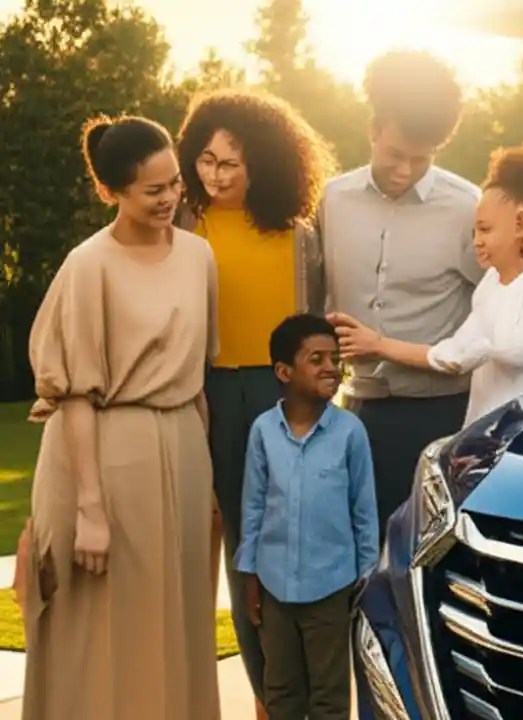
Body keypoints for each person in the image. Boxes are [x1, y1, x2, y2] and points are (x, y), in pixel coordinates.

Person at [21, 115, 219, 719]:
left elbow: (202, 368)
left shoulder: (198, 255)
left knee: (178, 620)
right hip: (102, 455)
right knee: (101, 626)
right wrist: (90, 510)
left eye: (174, 184)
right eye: (152, 190)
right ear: (111, 192)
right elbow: (75, 392)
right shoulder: (88, 265)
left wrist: (207, 476)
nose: (169, 199)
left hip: (183, 446)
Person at [319, 50, 523, 537]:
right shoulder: (332, 201)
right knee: (360, 550)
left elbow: (509, 291)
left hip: (442, 415)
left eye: (420, 159)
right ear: (373, 130)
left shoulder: (466, 208)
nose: (405, 170)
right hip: (355, 409)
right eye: (394, 155)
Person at [175, 88, 333, 717]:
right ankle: (268, 697)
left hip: (283, 394)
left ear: (262, 163)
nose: (215, 175)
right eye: (206, 160)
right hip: (212, 393)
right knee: (245, 549)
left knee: (292, 548)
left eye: (230, 164)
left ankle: (304, 692)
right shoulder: (184, 224)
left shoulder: (300, 236)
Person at [333, 144, 523, 427]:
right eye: (475, 231)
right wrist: (378, 345)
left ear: (522, 224)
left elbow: (513, 351)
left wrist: (468, 350)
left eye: (485, 229)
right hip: (483, 437)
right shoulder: (490, 286)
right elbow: (449, 354)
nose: (477, 241)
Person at [235, 314, 378, 720]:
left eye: (335, 358)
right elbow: (254, 506)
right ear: (284, 371)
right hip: (274, 588)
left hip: (331, 589)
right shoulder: (263, 431)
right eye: (316, 359)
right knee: (281, 692)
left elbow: (364, 513)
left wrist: (364, 581)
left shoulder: (350, 432)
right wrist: (249, 575)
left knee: (330, 696)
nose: (331, 368)